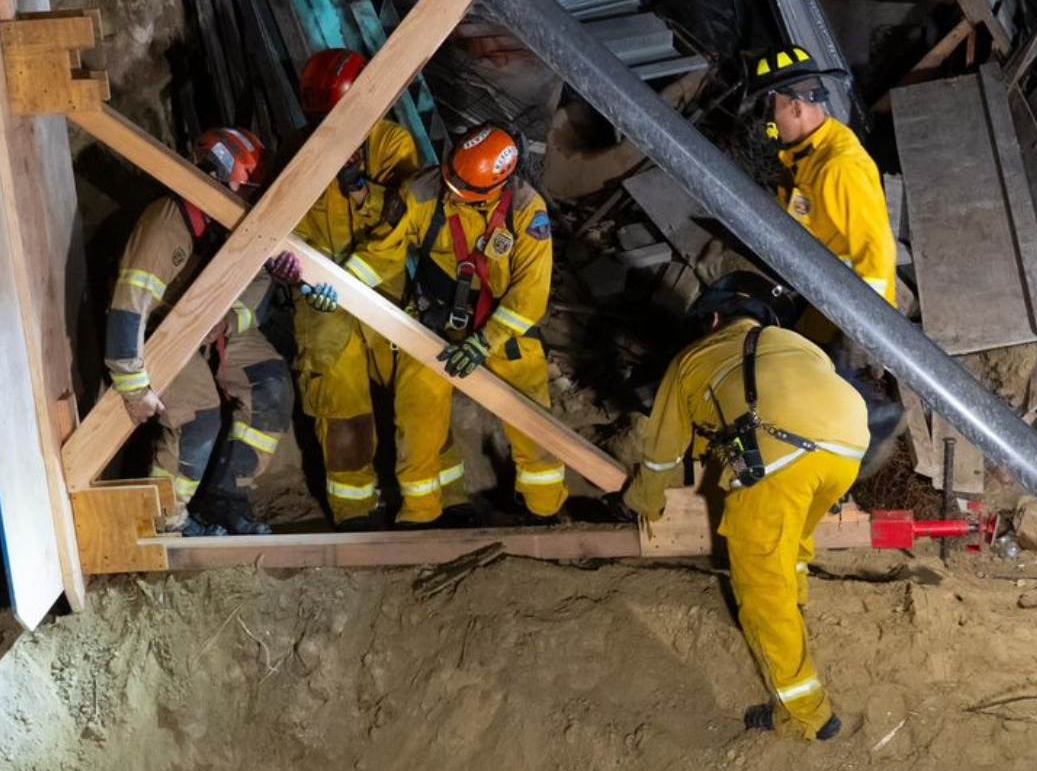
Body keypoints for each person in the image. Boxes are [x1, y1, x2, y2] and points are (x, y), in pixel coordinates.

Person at [622, 272, 868, 741]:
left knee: (760, 589)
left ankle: (805, 716)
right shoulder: (795, 345)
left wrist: (645, 504)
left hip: (783, 454)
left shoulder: (693, 358)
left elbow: (663, 452)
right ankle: (797, 602)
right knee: (793, 537)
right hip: (848, 444)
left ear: (714, 318)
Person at [103, 126, 340, 536]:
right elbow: (129, 308)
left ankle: (225, 499)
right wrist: (133, 385)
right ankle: (164, 523)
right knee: (198, 417)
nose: (249, 200)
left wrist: (230, 319)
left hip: (212, 326)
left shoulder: (231, 225)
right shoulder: (168, 225)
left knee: (270, 385)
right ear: (212, 177)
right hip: (161, 333)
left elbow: (255, 291)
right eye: (243, 189)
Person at [342, 124, 567, 525]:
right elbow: (382, 252)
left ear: (496, 187)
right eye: (450, 179)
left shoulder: (525, 211)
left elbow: (530, 295)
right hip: (436, 321)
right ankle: (421, 513)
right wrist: (340, 285)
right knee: (417, 414)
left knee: (531, 420)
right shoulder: (423, 190)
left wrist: (485, 341)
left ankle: (544, 509)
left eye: (462, 189)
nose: (451, 192)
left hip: (502, 327)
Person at [291, 49, 422, 528]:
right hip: (323, 298)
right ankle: (354, 512)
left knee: (416, 394)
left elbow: (401, 221)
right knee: (340, 404)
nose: (329, 128)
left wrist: (362, 190)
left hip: (383, 287)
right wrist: (301, 271)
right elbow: (290, 227)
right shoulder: (300, 150)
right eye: (321, 119)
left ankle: (439, 502)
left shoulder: (390, 144)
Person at [749, 45, 903, 449]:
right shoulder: (810, 154)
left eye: (772, 109)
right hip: (823, 289)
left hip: (848, 303)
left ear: (796, 107)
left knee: (819, 371)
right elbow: (808, 212)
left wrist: (864, 327)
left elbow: (877, 251)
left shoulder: (840, 166)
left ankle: (872, 421)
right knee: (803, 358)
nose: (769, 122)